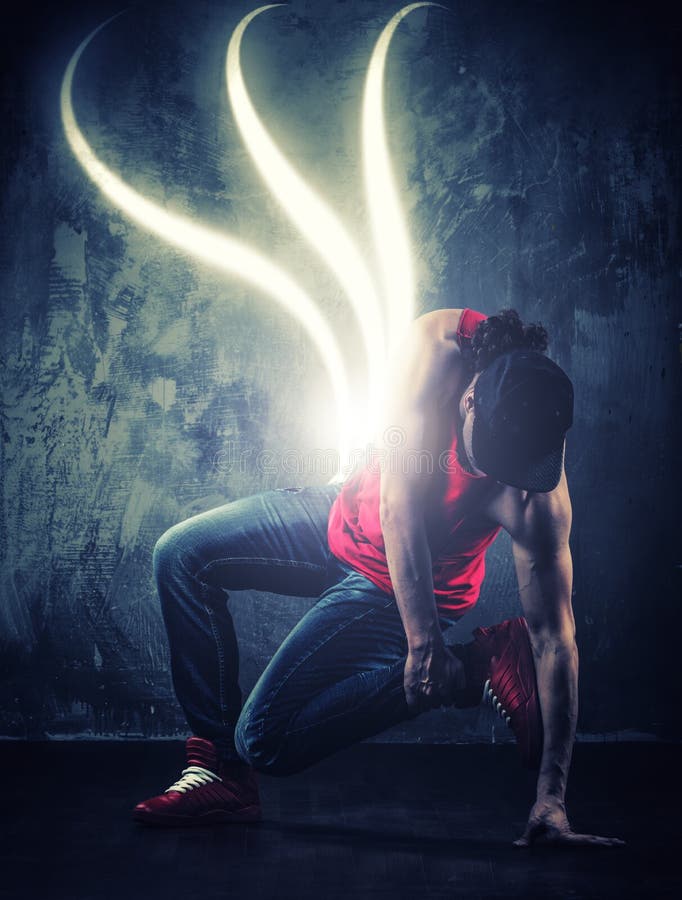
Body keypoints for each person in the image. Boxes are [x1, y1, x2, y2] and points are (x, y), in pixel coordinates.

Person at [134, 308, 623, 847]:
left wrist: (551, 798)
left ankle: (472, 665)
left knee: (264, 740)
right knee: (180, 555)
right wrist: (422, 647)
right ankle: (222, 775)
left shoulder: (537, 499)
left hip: (402, 589)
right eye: (489, 460)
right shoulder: (437, 346)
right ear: (468, 400)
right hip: (348, 516)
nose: (499, 479)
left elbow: (555, 638)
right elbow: (398, 503)